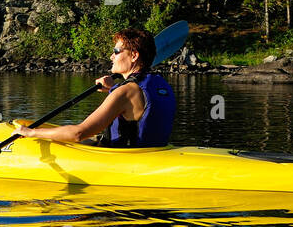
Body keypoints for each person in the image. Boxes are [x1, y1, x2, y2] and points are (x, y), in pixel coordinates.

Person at [13, 28, 176, 146]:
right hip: (153, 153)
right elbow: (135, 105)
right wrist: (112, 89)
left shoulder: (125, 92)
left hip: (125, 161)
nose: (111, 56)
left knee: (77, 138)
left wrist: (31, 133)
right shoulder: (160, 84)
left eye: (116, 51)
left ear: (134, 55)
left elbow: (78, 133)